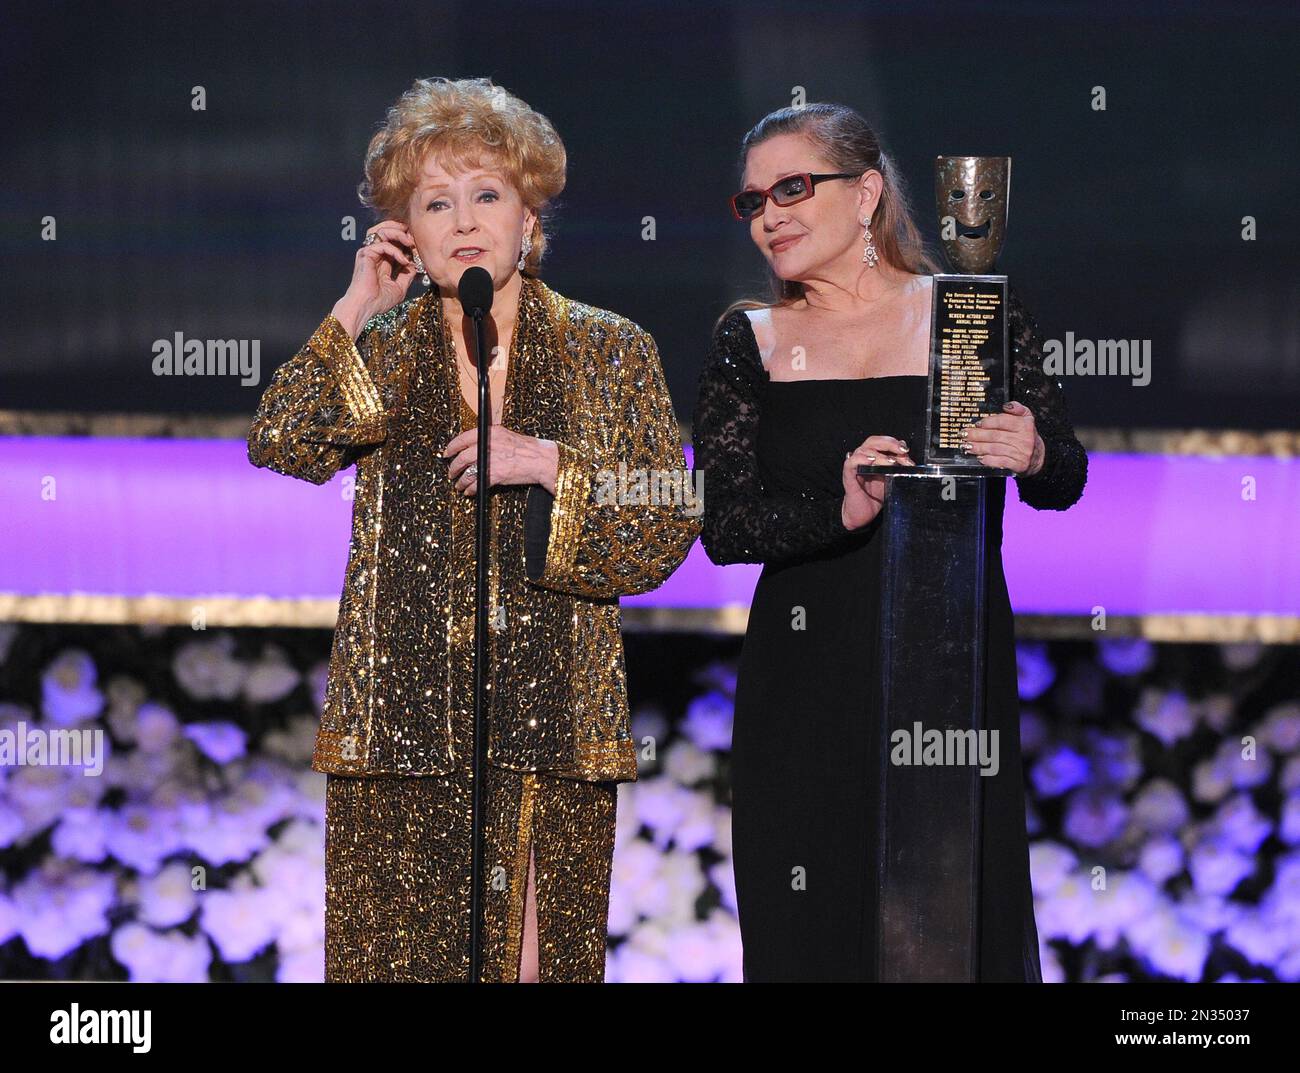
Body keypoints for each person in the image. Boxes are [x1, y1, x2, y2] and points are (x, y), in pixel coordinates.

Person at [247, 76, 700, 982]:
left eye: (486, 194)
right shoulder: (386, 344)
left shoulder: (608, 348)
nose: (463, 220)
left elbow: (664, 520)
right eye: (436, 201)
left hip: (551, 729)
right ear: (404, 231)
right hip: (399, 735)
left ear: (528, 217)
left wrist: (555, 467)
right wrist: (355, 306)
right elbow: (282, 439)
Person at [692, 102, 1087, 981]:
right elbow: (722, 527)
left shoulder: (968, 317)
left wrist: (1032, 452)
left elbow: (1065, 478)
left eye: (792, 188)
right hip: (806, 685)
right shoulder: (749, 339)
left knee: (941, 927)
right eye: (752, 202)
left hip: (949, 674)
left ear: (866, 193)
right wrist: (838, 511)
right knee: (813, 930)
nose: (770, 216)